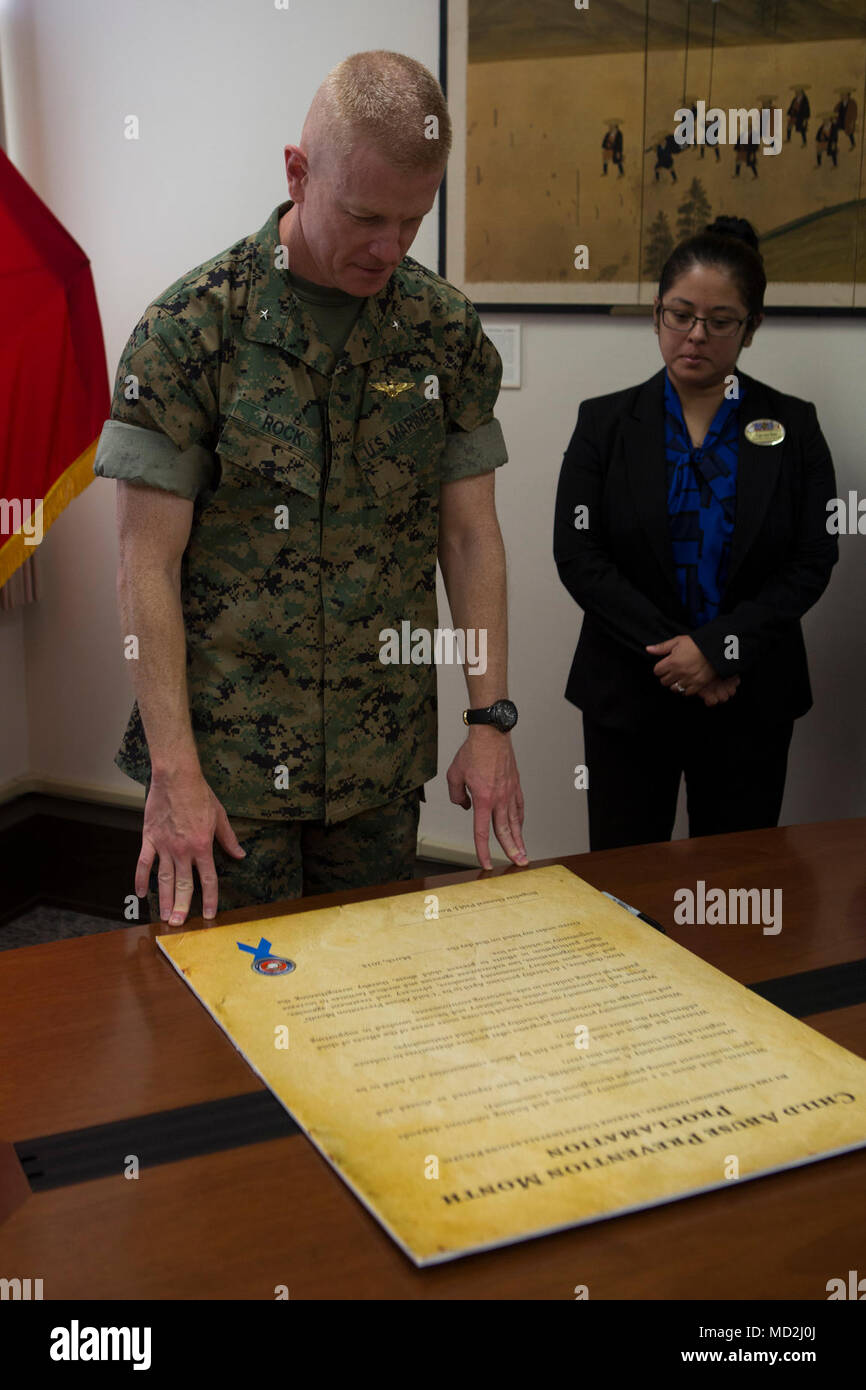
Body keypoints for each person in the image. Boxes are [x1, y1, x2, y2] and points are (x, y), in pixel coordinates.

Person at [93, 50, 527, 927]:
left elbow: (471, 535)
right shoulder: (189, 333)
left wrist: (493, 722)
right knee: (222, 1023)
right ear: (298, 171)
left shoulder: (443, 333)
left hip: (379, 759)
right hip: (227, 771)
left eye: (413, 220)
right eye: (366, 215)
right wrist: (174, 769)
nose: (389, 248)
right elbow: (145, 565)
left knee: (370, 1018)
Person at [553, 216, 838, 850]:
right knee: (627, 887)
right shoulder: (604, 424)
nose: (695, 335)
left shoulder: (794, 427)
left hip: (750, 697)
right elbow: (579, 554)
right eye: (680, 314)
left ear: (751, 327)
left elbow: (813, 558)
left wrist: (721, 649)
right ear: (656, 314)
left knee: (734, 885)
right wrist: (682, 656)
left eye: (720, 320)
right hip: (629, 692)